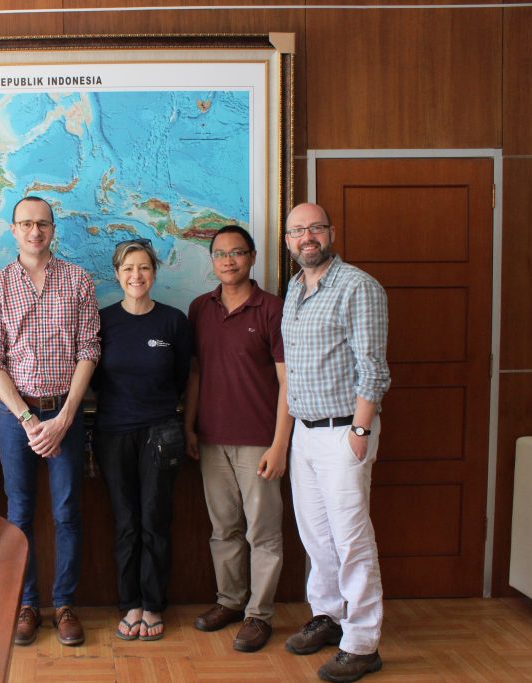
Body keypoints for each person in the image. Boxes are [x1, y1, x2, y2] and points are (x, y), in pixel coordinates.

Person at [0, 196, 100, 647]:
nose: (35, 232)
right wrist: (28, 419)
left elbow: (89, 349)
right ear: (13, 230)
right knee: (20, 513)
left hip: (66, 414)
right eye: (26, 224)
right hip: (17, 417)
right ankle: (27, 603)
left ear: (53, 229)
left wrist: (67, 416)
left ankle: (64, 604)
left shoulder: (78, 280)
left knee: (68, 512)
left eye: (42, 224)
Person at [280, 203, 390, 683]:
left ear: (330, 232)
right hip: (304, 432)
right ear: (288, 241)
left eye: (315, 228)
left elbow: (374, 368)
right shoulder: (294, 288)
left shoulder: (358, 287)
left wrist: (360, 432)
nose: (307, 237)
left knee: (350, 538)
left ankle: (363, 643)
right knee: (315, 535)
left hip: (344, 431)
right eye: (298, 231)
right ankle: (328, 616)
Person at [185, 225, 292, 653]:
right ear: (211, 260)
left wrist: (280, 445)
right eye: (220, 254)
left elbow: (288, 383)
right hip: (211, 439)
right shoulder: (199, 309)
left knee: (263, 533)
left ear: (251, 258)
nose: (228, 261)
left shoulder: (273, 309)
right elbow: (195, 373)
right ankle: (230, 601)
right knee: (223, 529)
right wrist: (189, 427)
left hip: (259, 443)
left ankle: (259, 615)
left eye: (237, 253)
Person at [92, 238, 190, 642]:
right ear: (117, 274)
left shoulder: (173, 321)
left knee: (154, 519)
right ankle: (128, 602)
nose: (136, 275)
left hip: (161, 433)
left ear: (154, 273)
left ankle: (152, 605)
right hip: (113, 432)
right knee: (126, 522)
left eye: (144, 268)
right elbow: (93, 377)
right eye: (128, 268)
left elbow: (182, 376)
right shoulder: (102, 320)